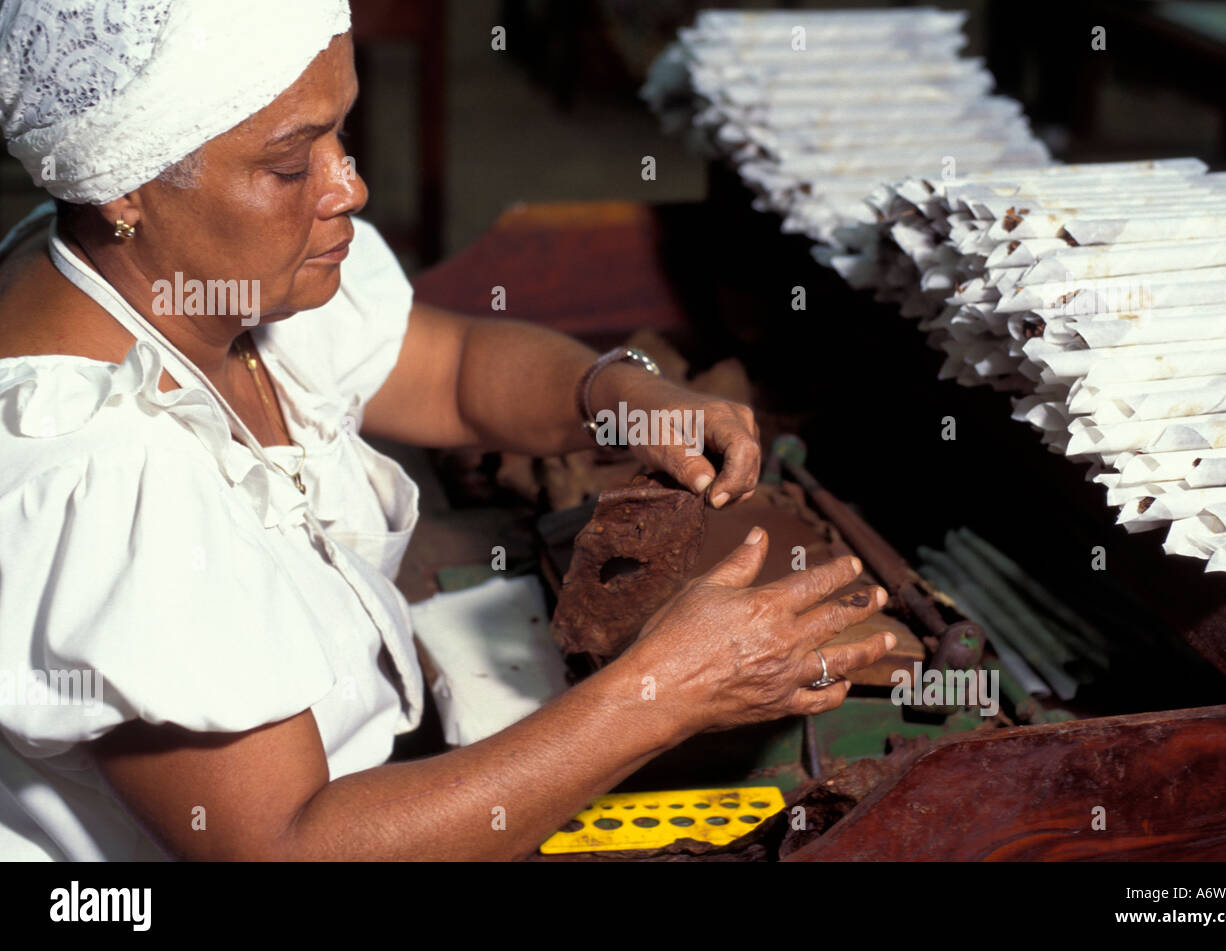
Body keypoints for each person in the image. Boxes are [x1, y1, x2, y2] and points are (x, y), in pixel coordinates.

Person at [0, 0, 894, 860]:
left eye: (339, 134)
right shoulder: (108, 478)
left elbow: (452, 370)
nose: (349, 185)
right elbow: (288, 846)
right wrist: (663, 694)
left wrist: (616, 390)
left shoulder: (191, 268)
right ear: (125, 185)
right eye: (288, 166)